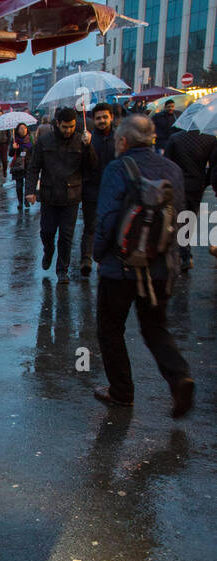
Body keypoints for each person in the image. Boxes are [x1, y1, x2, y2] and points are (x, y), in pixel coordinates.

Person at [92, 114, 193, 417]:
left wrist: (98, 254)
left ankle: (121, 392)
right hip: (160, 268)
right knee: (155, 327)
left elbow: (107, 219)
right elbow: (180, 218)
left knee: (110, 330)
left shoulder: (118, 168)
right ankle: (180, 377)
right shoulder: (172, 169)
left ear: (122, 141)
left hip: (118, 269)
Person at [25, 106, 95, 283]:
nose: (68, 130)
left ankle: (62, 270)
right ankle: (48, 251)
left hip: (71, 196)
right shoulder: (45, 141)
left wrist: (89, 147)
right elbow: (34, 167)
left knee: (66, 236)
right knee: (47, 232)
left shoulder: (81, 141)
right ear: (58, 124)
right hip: (49, 195)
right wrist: (30, 191)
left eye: (71, 127)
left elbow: (91, 168)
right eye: (65, 127)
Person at [163, 125, 217, 271]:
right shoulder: (210, 139)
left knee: (176, 219)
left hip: (177, 184)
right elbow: (213, 166)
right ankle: (185, 254)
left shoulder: (174, 139)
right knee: (189, 218)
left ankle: (182, 253)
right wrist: (206, 182)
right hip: (197, 185)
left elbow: (166, 163)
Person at [80, 103, 115, 277]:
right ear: (93, 120)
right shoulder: (88, 138)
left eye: (104, 117)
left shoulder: (119, 138)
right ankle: (86, 259)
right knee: (90, 226)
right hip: (92, 188)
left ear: (111, 118)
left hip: (113, 190)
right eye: (98, 118)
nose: (102, 121)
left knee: (111, 225)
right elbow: (85, 165)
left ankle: (105, 260)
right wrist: (86, 146)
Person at [9, 123, 32, 208]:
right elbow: (10, 154)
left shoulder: (31, 138)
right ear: (17, 131)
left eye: (25, 128)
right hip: (18, 165)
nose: (23, 130)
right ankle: (20, 202)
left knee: (28, 184)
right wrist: (13, 148)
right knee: (19, 185)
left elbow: (34, 151)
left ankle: (26, 200)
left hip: (28, 164)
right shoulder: (15, 140)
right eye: (21, 128)